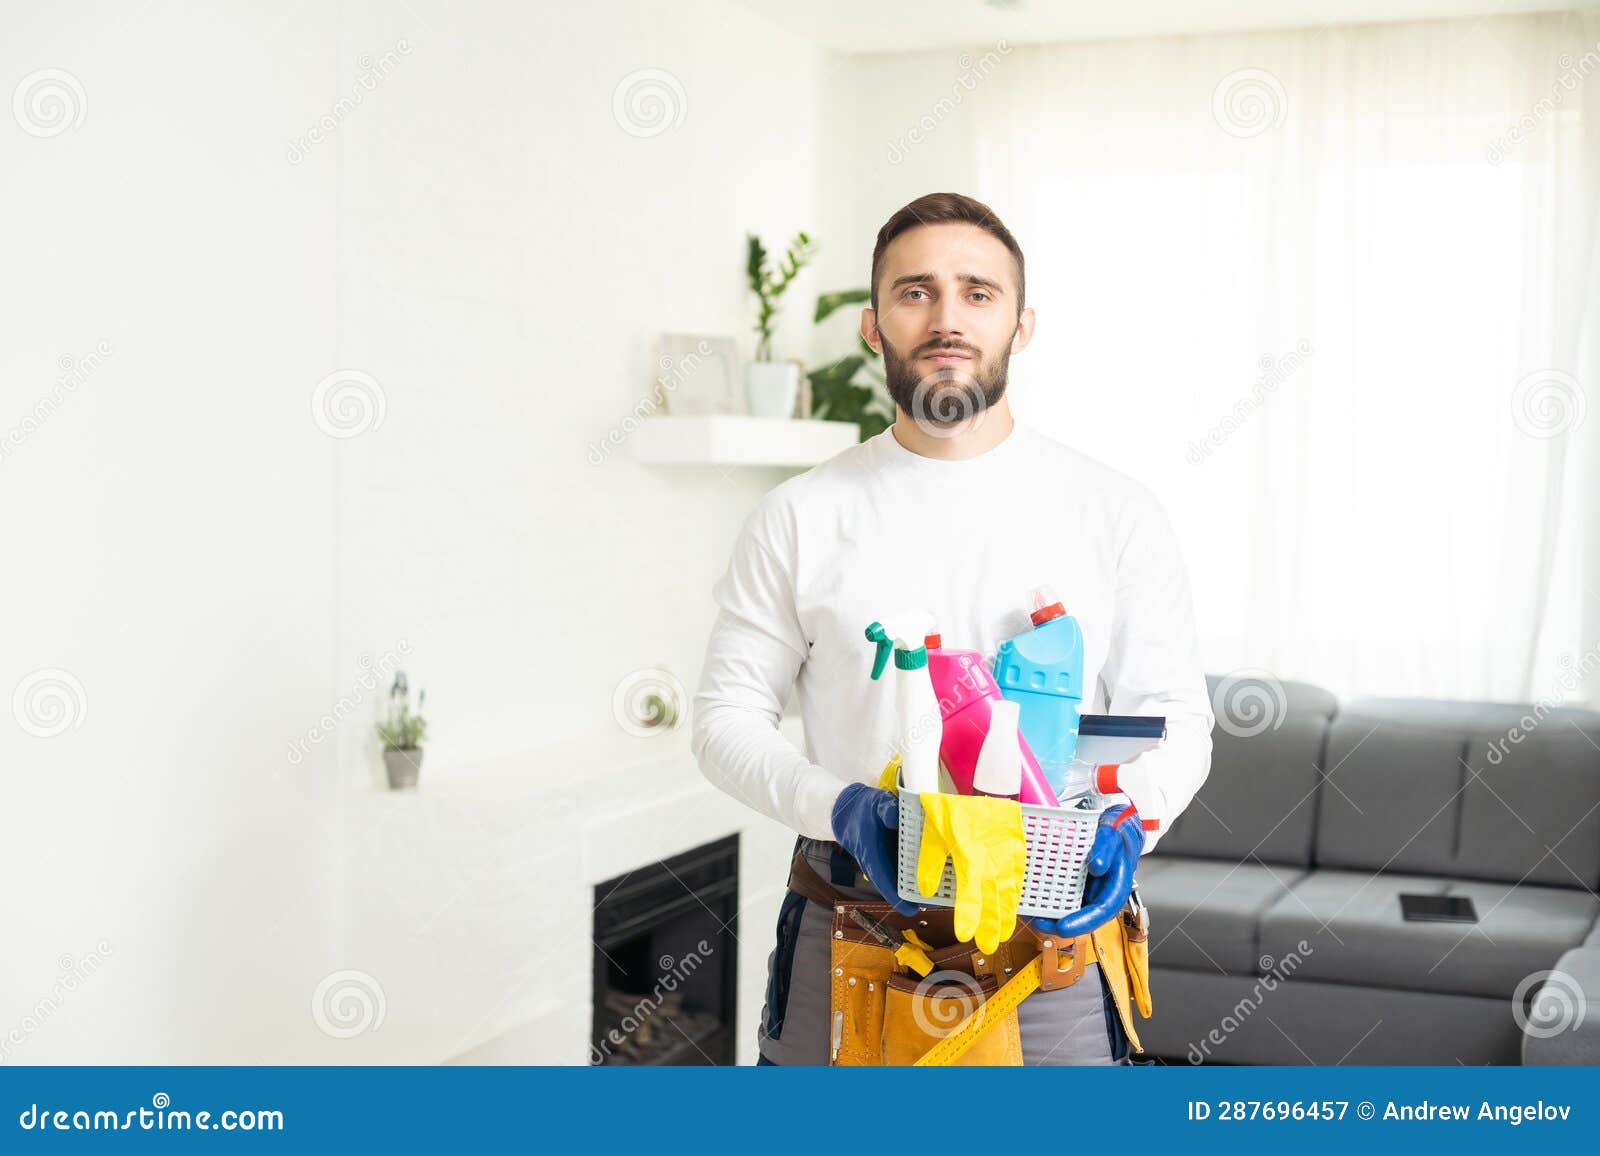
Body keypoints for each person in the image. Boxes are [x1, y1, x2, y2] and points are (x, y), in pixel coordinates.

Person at [691, 192, 1213, 1065]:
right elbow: (724, 721)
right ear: (872, 324)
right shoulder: (799, 517)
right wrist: (845, 808)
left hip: (1052, 942)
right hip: (850, 932)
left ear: (1021, 324)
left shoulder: (1114, 513)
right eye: (915, 292)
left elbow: (1177, 717)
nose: (946, 318)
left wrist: (1131, 816)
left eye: (977, 293)